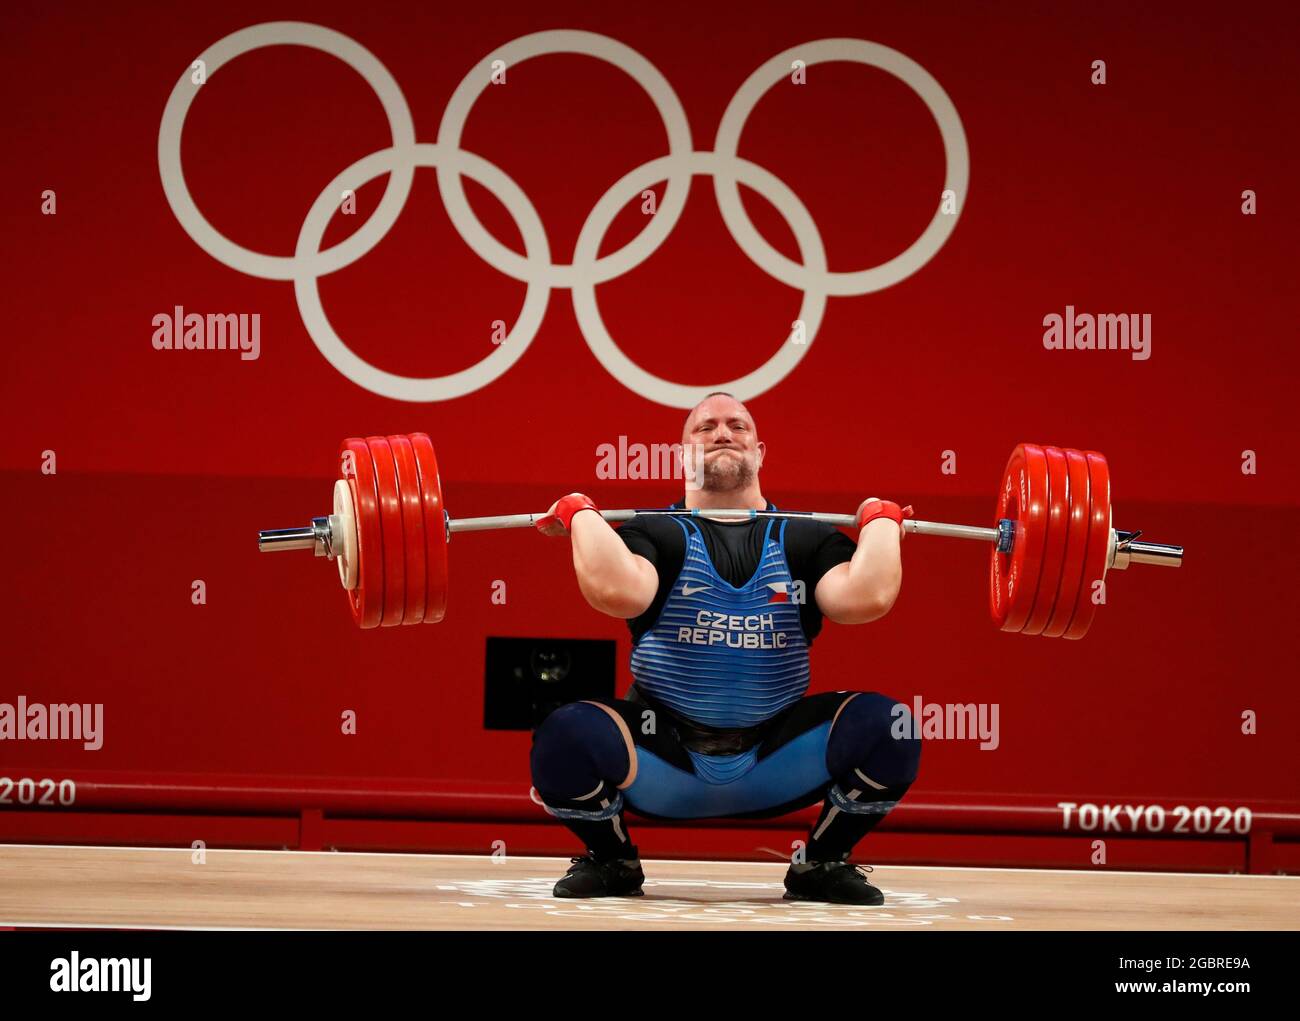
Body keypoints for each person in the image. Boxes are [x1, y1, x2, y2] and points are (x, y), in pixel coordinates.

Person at [530, 392, 920, 904]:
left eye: (738, 425)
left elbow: (865, 597)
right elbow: (619, 591)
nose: (722, 432)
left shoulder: (804, 538)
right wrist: (582, 512)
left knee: (891, 725)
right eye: (705, 427)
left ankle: (820, 865)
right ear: (682, 454)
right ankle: (614, 860)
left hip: (775, 760)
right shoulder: (655, 531)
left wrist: (879, 519)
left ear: (760, 453)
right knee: (564, 733)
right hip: (662, 760)